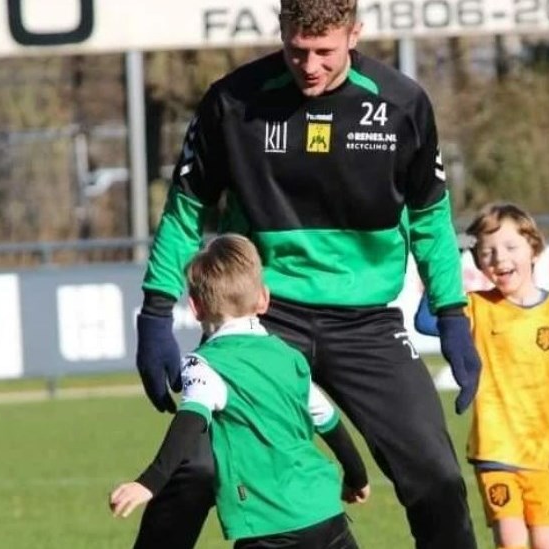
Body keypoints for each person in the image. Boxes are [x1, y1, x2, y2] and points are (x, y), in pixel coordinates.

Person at [133, 1, 481, 548]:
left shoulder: (402, 104)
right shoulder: (232, 103)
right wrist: (156, 312)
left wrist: (452, 310)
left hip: (366, 323)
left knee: (436, 477)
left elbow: (430, 218)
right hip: (261, 317)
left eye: (325, 51)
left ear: (354, 35)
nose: (310, 65)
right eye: (298, 50)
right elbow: (185, 209)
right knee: (195, 467)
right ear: (282, 34)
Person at [113, 234, 370, 548]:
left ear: (195, 307)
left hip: (268, 525)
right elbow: (329, 422)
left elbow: (190, 421)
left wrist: (149, 483)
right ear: (264, 298)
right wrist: (357, 477)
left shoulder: (204, 364)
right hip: (326, 515)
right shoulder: (290, 358)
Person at [415, 203, 549, 549]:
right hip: (496, 449)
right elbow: (426, 320)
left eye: (509, 247)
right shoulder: (476, 308)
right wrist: (449, 261)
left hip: (545, 455)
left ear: (533, 248)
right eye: (487, 252)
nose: (499, 259)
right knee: (511, 541)